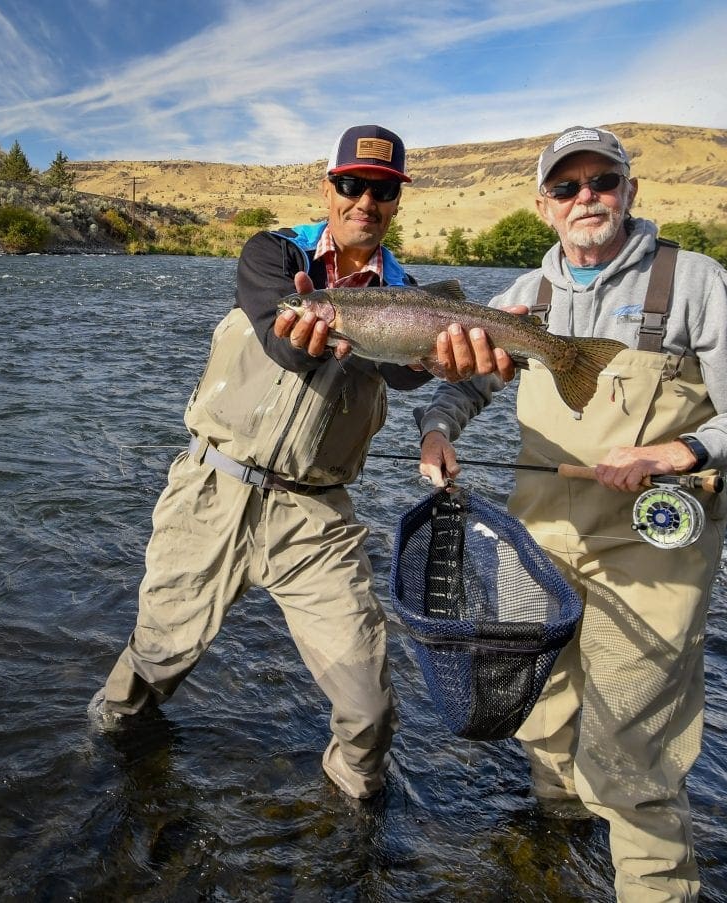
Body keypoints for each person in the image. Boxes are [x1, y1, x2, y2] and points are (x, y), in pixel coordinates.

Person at [417, 126, 727, 900]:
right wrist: (436, 428)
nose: (585, 197)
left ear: (630, 192)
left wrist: (679, 451)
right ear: (544, 205)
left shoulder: (693, 282)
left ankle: (656, 883)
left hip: (651, 554)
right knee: (544, 711)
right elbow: (466, 387)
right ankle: (556, 850)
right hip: (540, 542)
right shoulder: (525, 295)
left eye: (602, 182)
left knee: (630, 749)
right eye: (567, 187)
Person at [89, 124, 514, 801]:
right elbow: (285, 345)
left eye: (381, 190)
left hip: (315, 517)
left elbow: (407, 380)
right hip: (212, 489)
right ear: (328, 187)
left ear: (395, 201)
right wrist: (324, 330)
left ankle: (351, 815)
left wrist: (456, 358)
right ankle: (101, 755)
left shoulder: (409, 290)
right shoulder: (271, 251)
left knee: (370, 708)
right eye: (351, 184)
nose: (364, 201)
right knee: (152, 665)